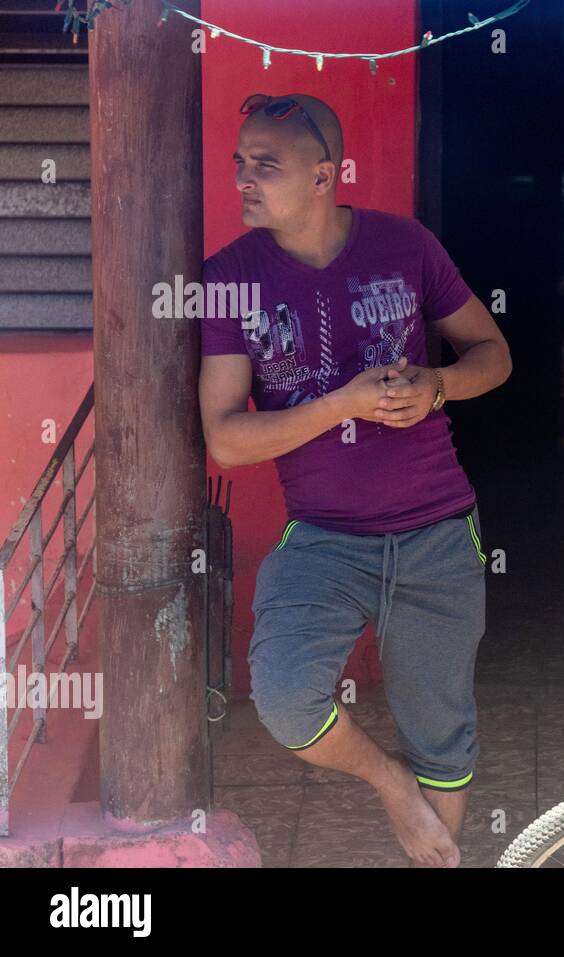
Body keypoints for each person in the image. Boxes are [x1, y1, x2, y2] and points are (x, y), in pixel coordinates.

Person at [198, 93, 511, 867]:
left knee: (442, 731)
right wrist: (341, 402)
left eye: (264, 165)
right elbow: (226, 439)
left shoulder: (404, 247)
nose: (243, 178)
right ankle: (392, 787)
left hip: (438, 527)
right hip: (325, 539)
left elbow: (492, 355)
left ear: (323, 174)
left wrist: (437, 384)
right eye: (240, 161)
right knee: (282, 695)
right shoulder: (229, 279)